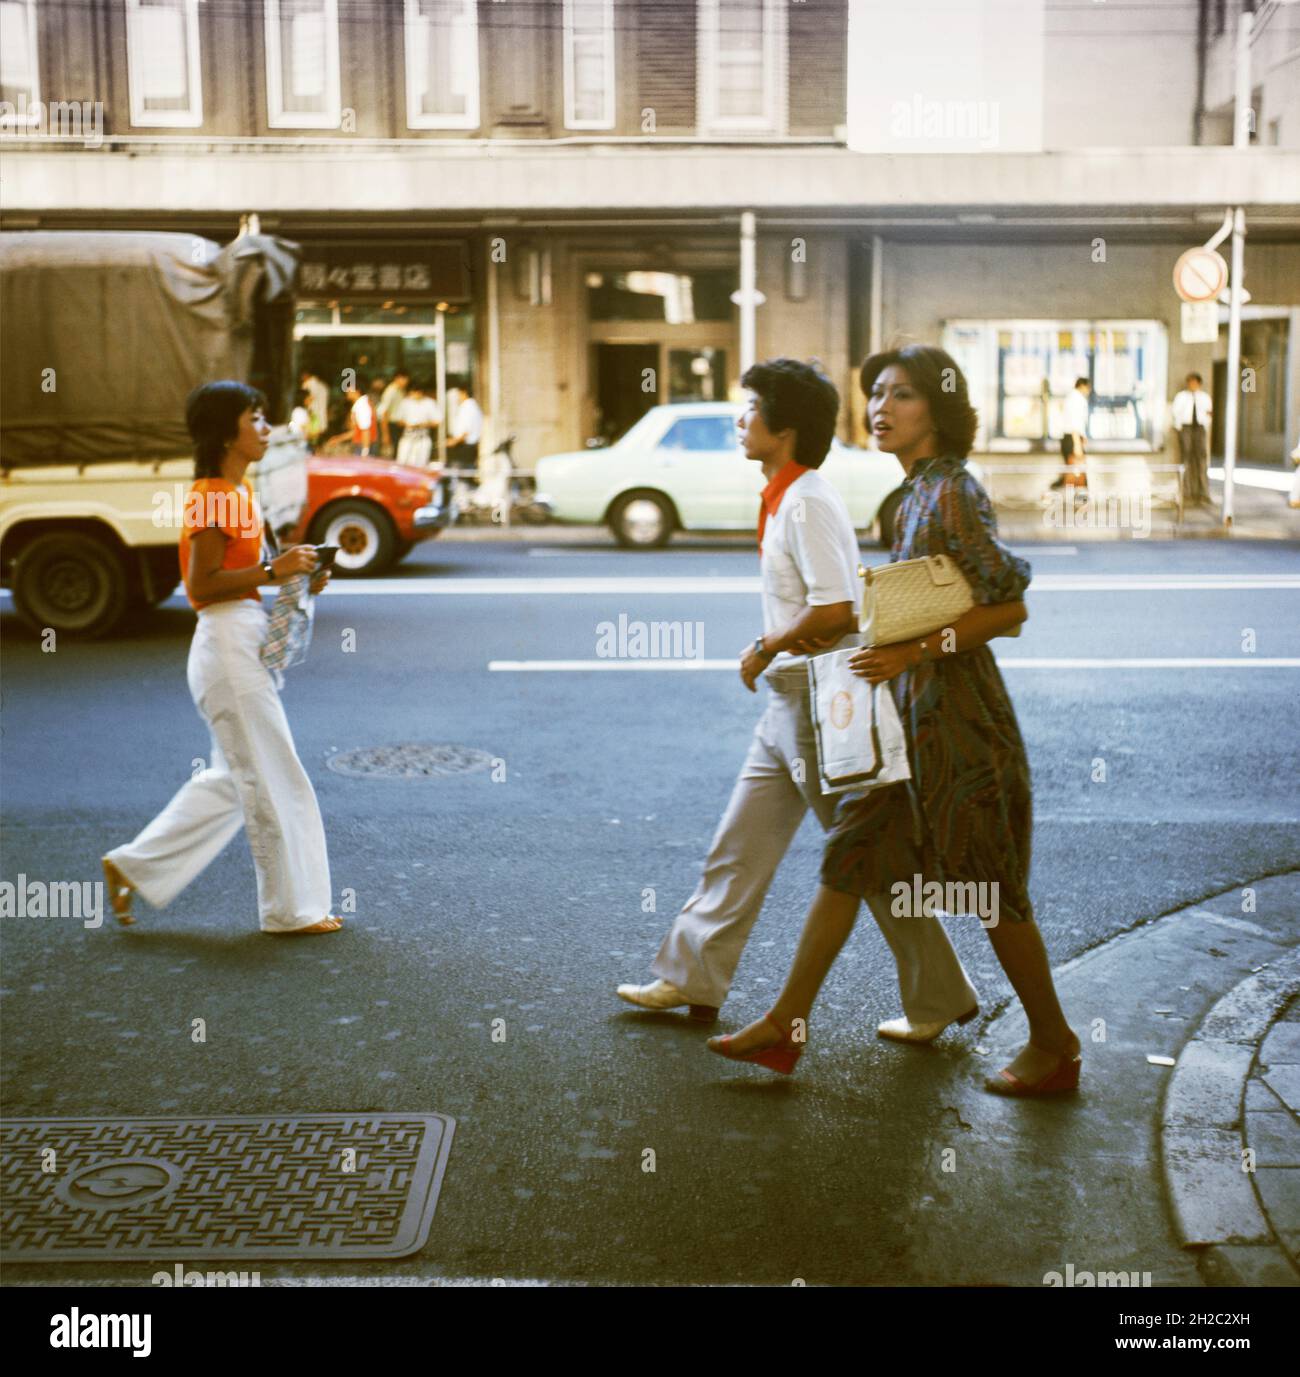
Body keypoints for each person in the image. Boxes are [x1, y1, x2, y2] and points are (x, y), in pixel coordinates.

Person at [709, 345, 1080, 1098]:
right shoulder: (911, 494)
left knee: (988, 887)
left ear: (938, 411)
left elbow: (1011, 608)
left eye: (902, 395)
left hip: (960, 725)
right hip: (909, 721)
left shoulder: (949, 493)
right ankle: (786, 1023)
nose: (881, 407)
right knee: (852, 854)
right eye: (876, 394)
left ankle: (1056, 1042)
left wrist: (913, 648)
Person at [618, 357, 980, 1040]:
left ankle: (940, 994)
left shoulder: (809, 498)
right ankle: (692, 973)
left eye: (750, 408)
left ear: (784, 428)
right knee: (739, 844)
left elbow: (837, 608)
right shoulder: (785, 494)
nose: (739, 420)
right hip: (787, 705)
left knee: (864, 862)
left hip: (821, 708)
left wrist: (766, 644)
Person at [101, 381, 342, 936]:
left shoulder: (236, 493)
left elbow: (242, 579)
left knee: (233, 782)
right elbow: (201, 583)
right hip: (228, 650)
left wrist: (297, 573)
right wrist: (273, 570)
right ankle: (290, 911)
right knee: (273, 778)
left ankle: (132, 865)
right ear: (223, 431)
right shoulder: (215, 495)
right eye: (254, 418)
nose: (266, 428)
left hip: (238, 644)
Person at [1171, 372, 1212, 508]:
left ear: (1199, 383)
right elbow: (1176, 413)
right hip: (1186, 428)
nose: (1192, 385)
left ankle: (1203, 492)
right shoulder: (1181, 397)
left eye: (1195, 382)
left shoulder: (1205, 397)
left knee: (1201, 459)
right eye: (1190, 382)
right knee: (1186, 458)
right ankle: (1186, 492)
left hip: (1199, 428)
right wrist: (1180, 428)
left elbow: (1209, 413)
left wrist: (1205, 424)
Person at [1051, 376, 1090, 491]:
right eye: (1088, 388)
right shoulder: (1077, 399)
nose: (1088, 391)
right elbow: (1075, 422)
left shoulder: (1071, 397)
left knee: (1071, 468)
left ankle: (1063, 489)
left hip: (1069, 437)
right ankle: (1078, 497)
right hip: (1073, 438)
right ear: (1082, 386)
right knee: (1077, 468)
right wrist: (1077, 443)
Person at [395, 378, 440, 468]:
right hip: (408, 437)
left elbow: (437, 421)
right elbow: (398, 420)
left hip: (422, 437)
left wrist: (424, 424)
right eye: (412, 393)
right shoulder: (405, 402)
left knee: (421, 465)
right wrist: (407, 424)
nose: (415, 395)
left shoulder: (429, 403)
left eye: (417, 393)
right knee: (402, 463)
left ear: (421, 392)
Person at [327, 383, 377, 456]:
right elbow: (357, 431)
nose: (347, 391)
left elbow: (366, 431)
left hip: (363, 446)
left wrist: (365, 452)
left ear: (357, 390)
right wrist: (339, 439)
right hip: (363, 445)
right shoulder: (361, 404)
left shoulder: (362, 406)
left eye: (349, 389)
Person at [446, 381, 483, 469]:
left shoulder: (468, 407)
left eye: (458, 394)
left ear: (464, 393)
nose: (457, 398)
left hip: (465, 447)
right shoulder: (472, 406)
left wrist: (454, 441)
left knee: (463, 474)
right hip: (468, 446)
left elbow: (466, 431)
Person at [378, 370, 409, 457]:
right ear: (397, 378)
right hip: (390, 425)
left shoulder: (401, 390)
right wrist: (385, 434)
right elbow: (384, 412)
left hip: (398, 424)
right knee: (391, 454)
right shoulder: (390, 391)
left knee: (398, 452)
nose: (406, 382)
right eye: (404, 379)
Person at [299, 369, 330, 445]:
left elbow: (309, 397)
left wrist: (307, 403)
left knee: (313, 430)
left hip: (314, 411)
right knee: (318, 429)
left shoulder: (310, 383)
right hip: (318, 411)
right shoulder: (322, 385)